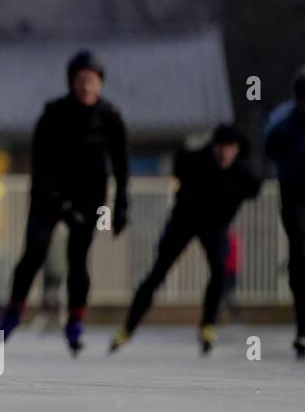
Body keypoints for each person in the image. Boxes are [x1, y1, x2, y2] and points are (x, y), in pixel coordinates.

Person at [0, 50, 129, 354]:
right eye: (81, 81)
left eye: (92, 82)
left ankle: (74, 323)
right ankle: (13, 313)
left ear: (100, 85)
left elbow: (122, 167)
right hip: (50, 194)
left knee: (78, 259)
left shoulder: (110, 118)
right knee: (34, 252)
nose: (87, 88)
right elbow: (39, 163)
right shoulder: (53, 113)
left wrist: (121, 205)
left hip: (89, 199)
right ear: (71, 83)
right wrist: (55, 198)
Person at [111, 125, 260, 354]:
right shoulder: (196, 161)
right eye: (220, 148)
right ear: (213, 146)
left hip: (215, 227)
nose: (224, 154)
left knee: (219, 271)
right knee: (158, 272)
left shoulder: (242, 173)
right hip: (184, 222)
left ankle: (208, 325)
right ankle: (128, 327)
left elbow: (255, 186)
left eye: (230, 149)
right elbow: (181, 161)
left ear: (237, 150)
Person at [265, 66, 305, 358]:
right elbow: (270, 149)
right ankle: (302, 328)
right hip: (295, 200)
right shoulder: (283, 124)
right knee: (300, 257)